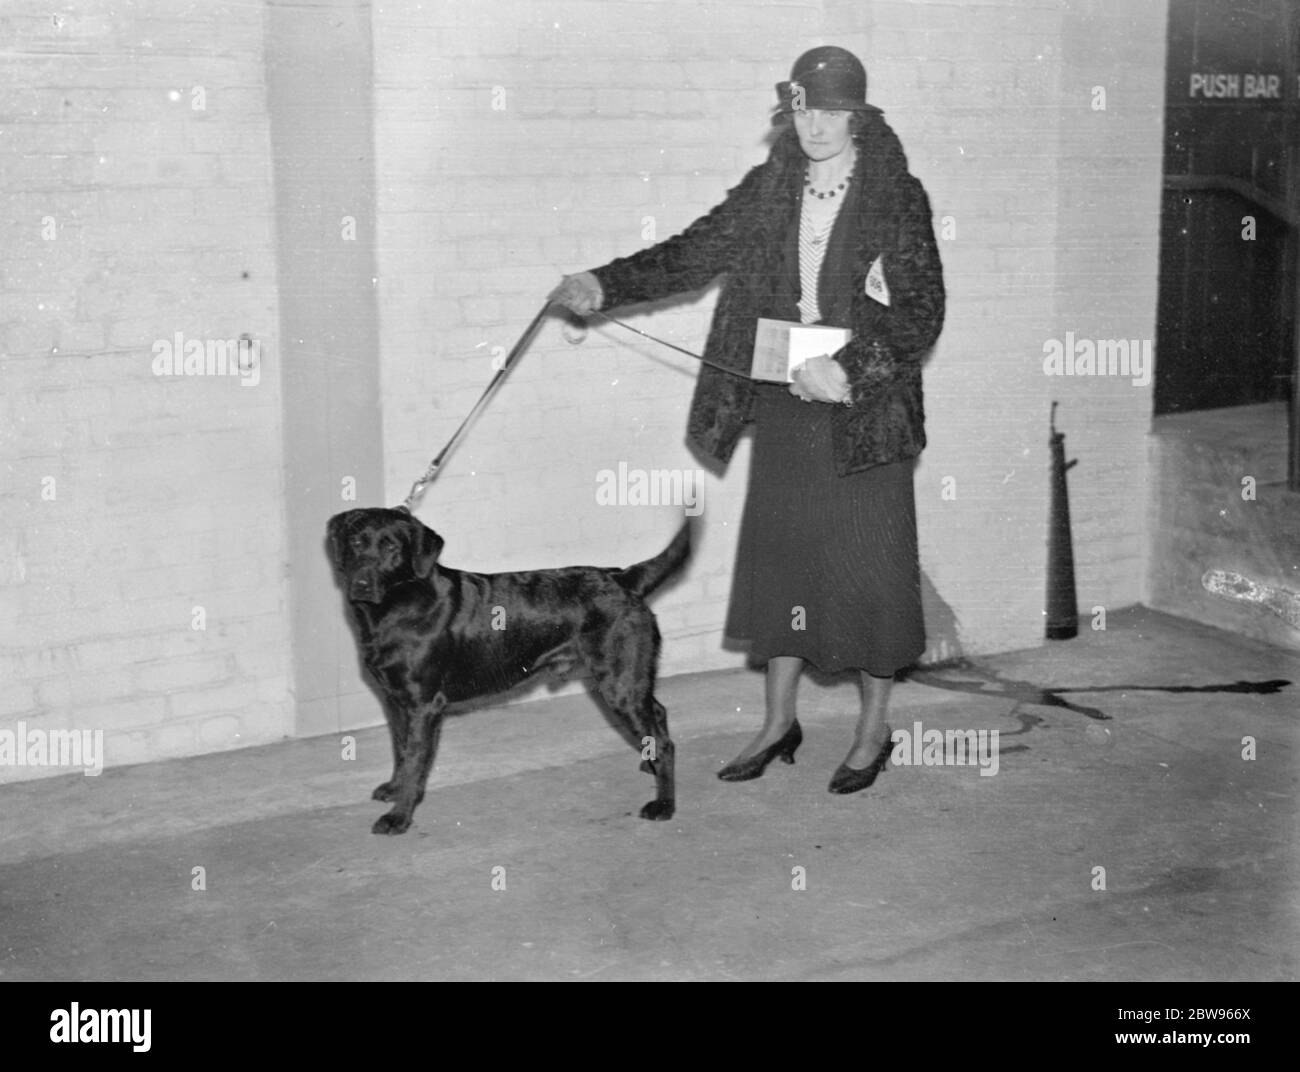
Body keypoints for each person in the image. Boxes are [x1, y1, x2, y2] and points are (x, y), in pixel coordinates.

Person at [550, 46, 945, 794]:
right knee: (785, 567)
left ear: (858, 116)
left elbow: (922, 311)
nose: (816, 124)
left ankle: (872, 731)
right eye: (803, 108)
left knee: (869, 575)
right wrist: (605, 283)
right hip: (785, 404)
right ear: (786, 111)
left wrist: (851, 369)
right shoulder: (772, 187)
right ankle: (778, 722)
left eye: (832, 110)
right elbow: (695, 251)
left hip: (866, 418)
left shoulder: (897, 194)